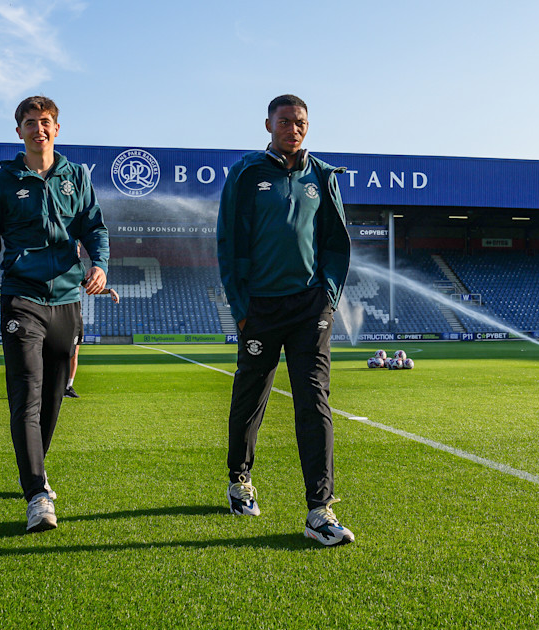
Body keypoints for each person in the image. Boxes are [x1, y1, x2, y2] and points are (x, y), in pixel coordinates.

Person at [216, 94, 355, 546]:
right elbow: (230, 242)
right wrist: (240, 307)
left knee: (313, 399)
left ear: (307, 127)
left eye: (299, 122)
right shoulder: (246, 173)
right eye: (284, 122)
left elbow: (335, 242)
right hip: (260, 306)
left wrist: (328, 295)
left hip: (310, 307)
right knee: (250, 395)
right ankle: (240, 480)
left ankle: (320, 509)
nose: (292, 129)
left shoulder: (322, 176)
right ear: (268, 125)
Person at [0, 95, 109, 533]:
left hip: (67, 301)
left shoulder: (76, 176)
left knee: (51, 400)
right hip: (21, 298)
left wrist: (100, 263)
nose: (38, 129)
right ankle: (36, 495)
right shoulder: (5, 180)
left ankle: (37, 469)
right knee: (26, 396)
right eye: (30, 123)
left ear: (57, 128)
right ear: (19, 132)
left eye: (45, 121)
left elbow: (94, 227)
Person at [65, 279, 119, 399]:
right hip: (57, 314)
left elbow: (92, 288)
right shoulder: (51, 268)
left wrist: (109, 291)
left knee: (75, 352)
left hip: (75, 317)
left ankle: (68, 387)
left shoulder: (77, 270)